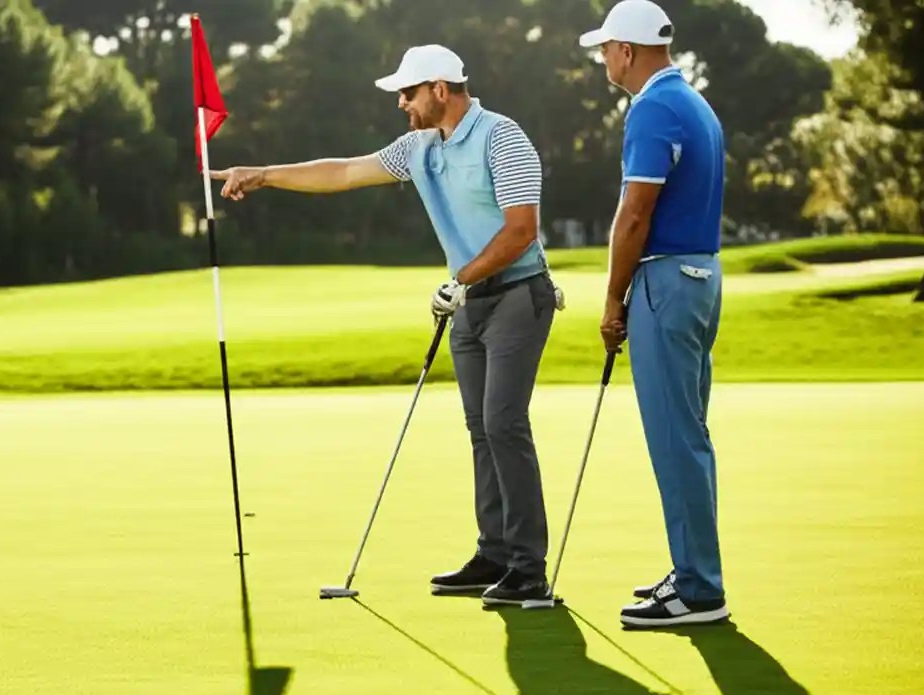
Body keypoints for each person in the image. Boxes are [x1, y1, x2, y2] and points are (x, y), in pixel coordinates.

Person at [211, 44, 563, 609]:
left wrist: (462, 278)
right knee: (481, 428)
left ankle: (528, 569)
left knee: (503, 423)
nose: (402, 103)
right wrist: (263, 175)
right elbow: (344, 172)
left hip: (519, 294)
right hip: (469, 301)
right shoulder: (418, 147)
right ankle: (494, 553)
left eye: (409, 92)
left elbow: (521, 230)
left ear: (440, 90)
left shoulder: (502, 137)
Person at [579, 0, 730, 627]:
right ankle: (693, 570)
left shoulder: (653, 109)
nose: (603, 59)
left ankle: (699, 590)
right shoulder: (692, 101)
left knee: (676, 437)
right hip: (699, 277)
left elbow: (633, 215)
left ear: (627, 51)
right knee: (688, 434)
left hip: (665, 281)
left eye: (606, 48)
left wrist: (612, 301)